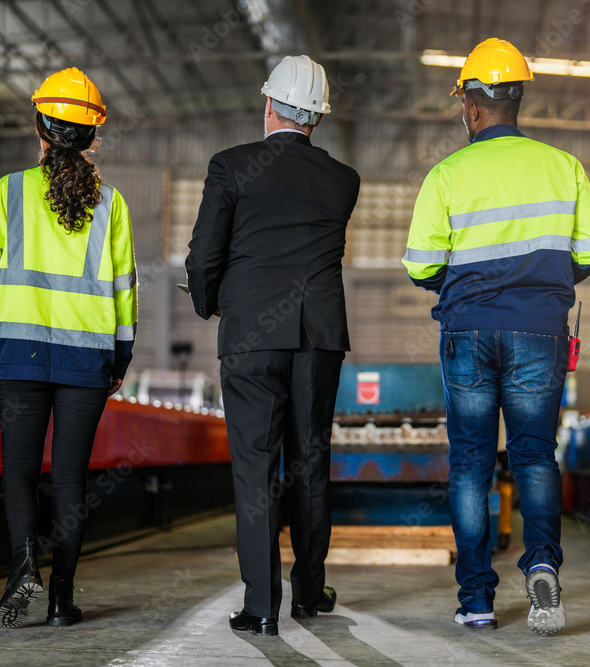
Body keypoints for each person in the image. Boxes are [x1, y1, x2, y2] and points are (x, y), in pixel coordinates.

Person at [402, 38, 590, 636]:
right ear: (517, 100)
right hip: (539, 332)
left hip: (467, 330)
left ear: (471, 106)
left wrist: (464, 284)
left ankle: (476, 601)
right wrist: (542, 283)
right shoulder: (564, 167)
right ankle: (542, 564)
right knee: (535, 457)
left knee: (471, 466)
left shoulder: (446, 175)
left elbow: (420, 265)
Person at [186, 55, 360, 637]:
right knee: (310, 462)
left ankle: (262, 605)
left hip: (252, 337)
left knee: (255, 469)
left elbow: (203, 257)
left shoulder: (231, 167)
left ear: (268, 106)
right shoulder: (344, 180)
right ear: (318, 118)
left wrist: (212, 302)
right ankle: (310, 591)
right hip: (318, 339)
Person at [0, 67, 137, 628]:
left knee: (19, 470)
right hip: (87, 356)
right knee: (70, 479)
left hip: (19, 350)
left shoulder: (8, 191)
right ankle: (62, 601)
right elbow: (124, 290)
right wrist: (120, 358)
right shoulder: (111, 204)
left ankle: (24, 565)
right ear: (91, 136)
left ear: (39, 125)